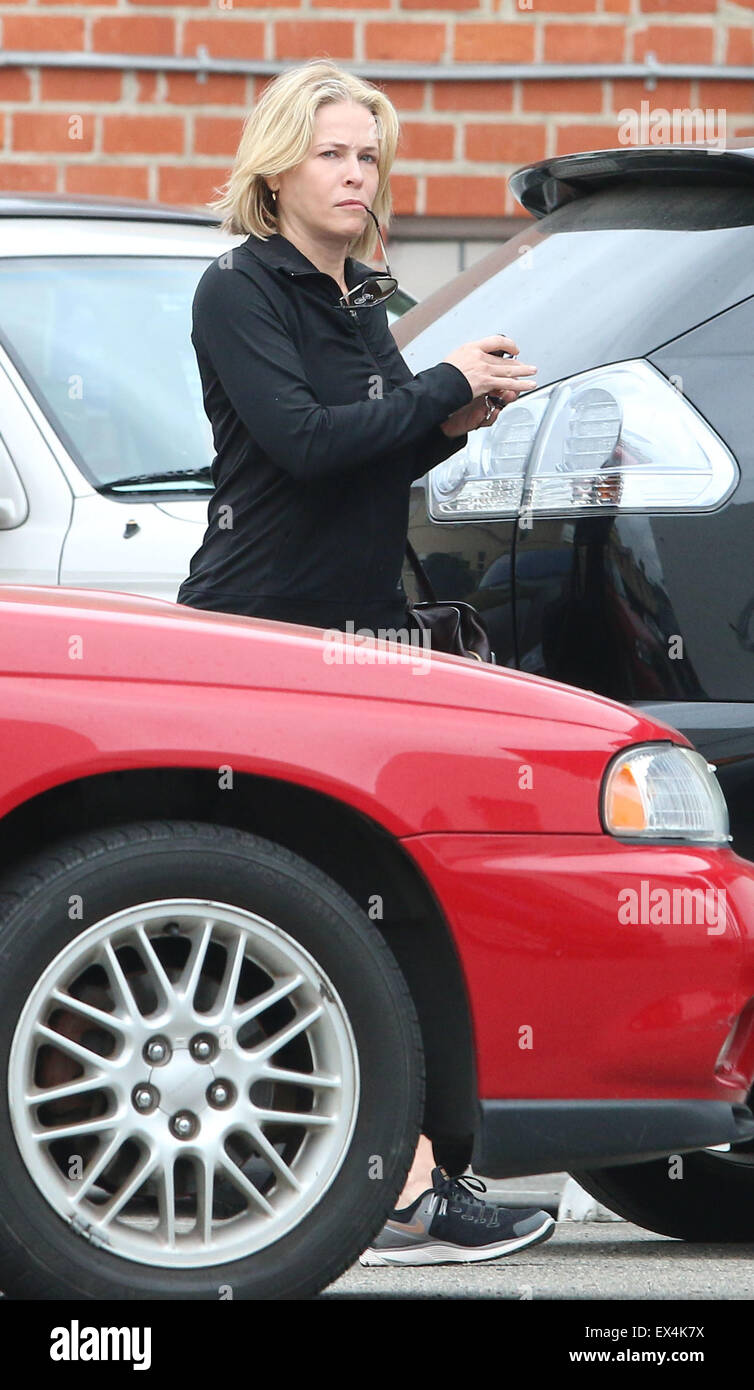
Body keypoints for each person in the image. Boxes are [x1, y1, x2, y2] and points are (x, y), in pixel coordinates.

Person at [176, 57, 554, 1265]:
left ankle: (404, 1173)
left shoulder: (361, 298)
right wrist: (437, 383)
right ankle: (392, 1184)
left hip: (352, 634)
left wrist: (451, 419)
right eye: (334, 151)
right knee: (286, 904)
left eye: (369, 155)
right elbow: (296, 444)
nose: (356, 173)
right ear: (279, 164)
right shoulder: (242, 289)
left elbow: (369, 463)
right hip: (258, 628)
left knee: (364, 899)